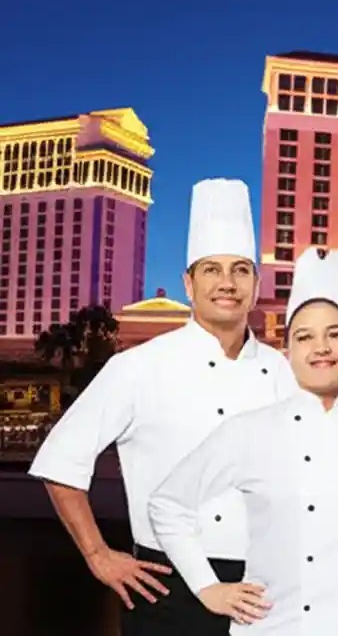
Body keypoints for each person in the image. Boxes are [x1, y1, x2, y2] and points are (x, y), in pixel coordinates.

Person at [27, 178, 295, 636]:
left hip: (270, 588)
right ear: (188, 284)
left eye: (240, 270)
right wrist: (98, 555)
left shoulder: (286, 371)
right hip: (168, 588)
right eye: (211, 269)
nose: (227, 283)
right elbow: (59, 462)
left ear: (256, 284)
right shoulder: (137, 367)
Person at [147, 246, 338, 635]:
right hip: (273, 624)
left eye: (335, 334)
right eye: (305, 337)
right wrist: (208, 587)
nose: (321, 348)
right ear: (288, 352)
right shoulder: (248, 431)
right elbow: (168, 504)